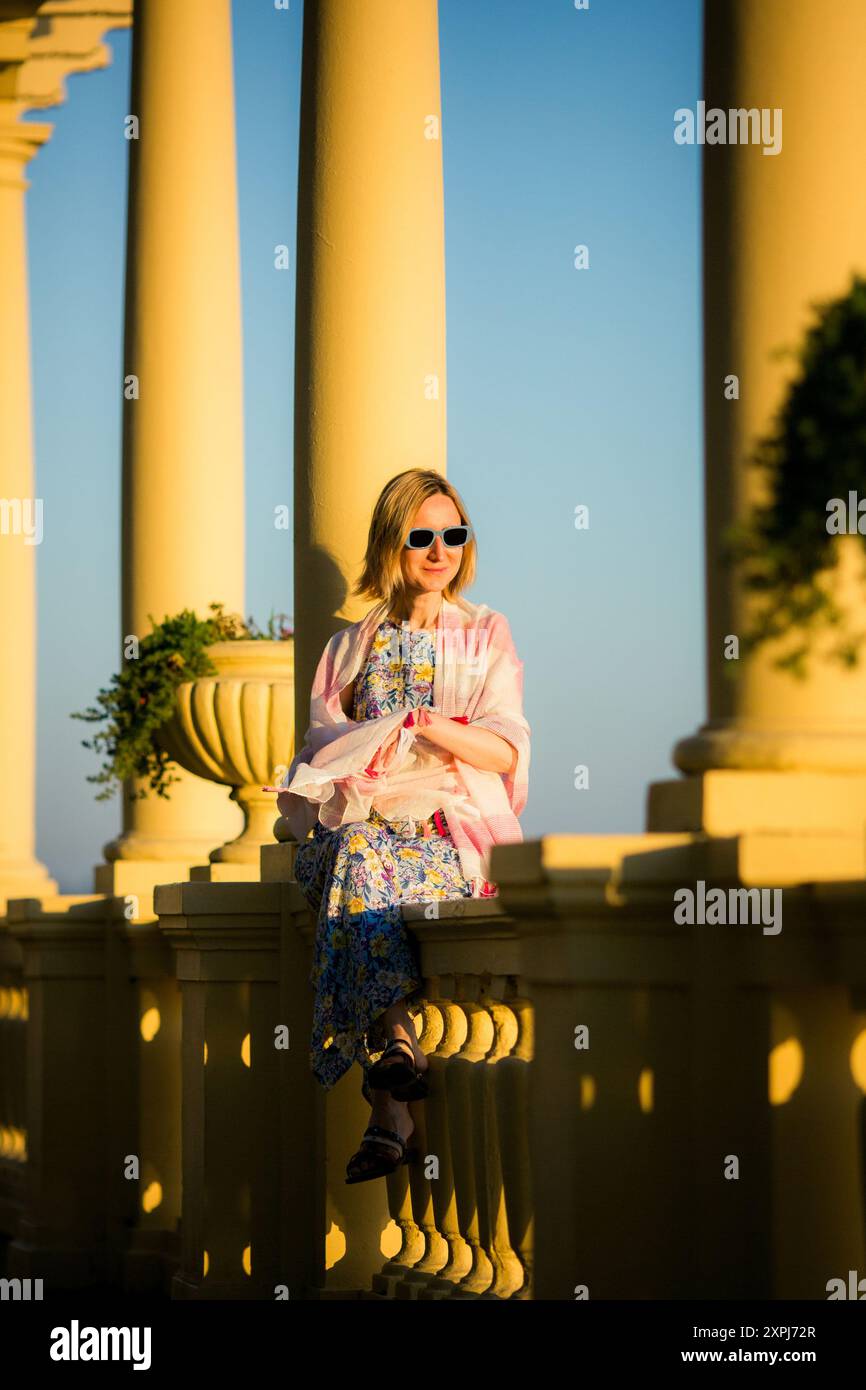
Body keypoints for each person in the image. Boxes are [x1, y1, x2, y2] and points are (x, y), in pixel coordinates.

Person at [271, 468, 530, 1184]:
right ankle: (395, 1063)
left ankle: (388, 1107)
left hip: (443, 831)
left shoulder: (483, 634)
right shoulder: (351, 647)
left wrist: (425, 726)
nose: (440, 549)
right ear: (394, 543)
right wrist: (375, 746)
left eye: (454, 533)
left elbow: (505, 746)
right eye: (422, 536)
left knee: (357, 867)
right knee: (352, 853)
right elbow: (321, 746)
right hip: (361, 822)